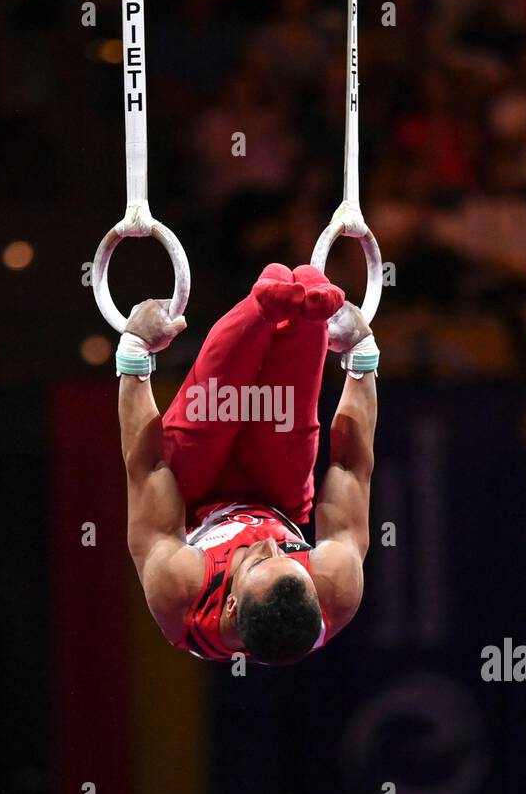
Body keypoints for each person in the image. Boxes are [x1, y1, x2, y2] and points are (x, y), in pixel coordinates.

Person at [116, 263, 379, 664]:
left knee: (219, 397)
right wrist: (362, 355)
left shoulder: (181, 594)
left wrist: (134, 353)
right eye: (290, 557)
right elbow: (349, 468)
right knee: (308, 317)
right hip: (275, 492)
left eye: (260, 561)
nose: (272, 544)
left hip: (190, 491)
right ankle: (306, 316)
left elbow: (147, 468)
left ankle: (260, 306)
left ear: (233, 604)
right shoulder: (334, 588)